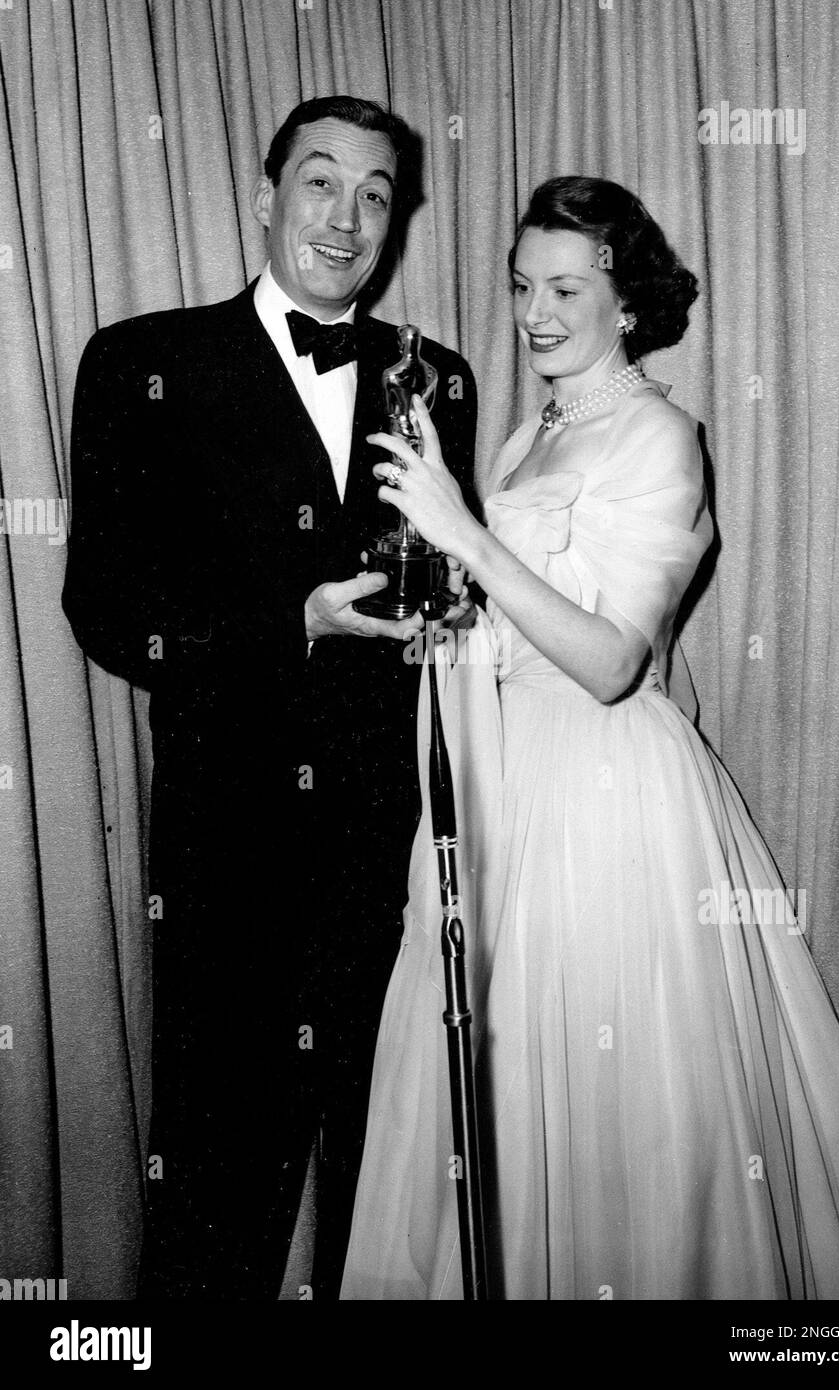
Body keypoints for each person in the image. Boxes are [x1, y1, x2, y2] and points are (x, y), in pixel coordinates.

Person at [339, 176, 839, 1300]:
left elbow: (609, 661)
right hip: (497, 785)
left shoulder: (661, 436)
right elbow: (497, 615)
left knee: (619, 1113)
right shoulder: (518, 443)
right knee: (487, 1087)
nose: (533, 312)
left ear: (628, 305)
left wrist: (462, 526)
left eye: (565, 286)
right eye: (520, 285)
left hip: (601, 797)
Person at [61, 95, 478, 1300]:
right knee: (215, 1181)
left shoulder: (433, 377)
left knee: (388, 1179)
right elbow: (107, 608)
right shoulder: (144, 361)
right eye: (319, 182)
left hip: (393, 842)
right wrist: (288, 620)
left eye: (375, 194)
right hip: (225, 843)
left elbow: (459, 579)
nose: (346, 218)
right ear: (263, 195)